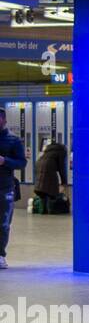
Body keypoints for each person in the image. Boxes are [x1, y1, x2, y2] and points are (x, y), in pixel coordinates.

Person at [0, 105, 27, 269]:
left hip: (5, 188)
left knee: (3, 223)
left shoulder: (13, 140)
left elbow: (22, 163)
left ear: (4, 120)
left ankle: (0, 255)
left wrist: (5, 161)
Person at [33, 138, 68, 212]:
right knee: (52, 190)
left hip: (38, 166)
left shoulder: (48, 150)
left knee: (43, 191)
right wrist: (64, 182)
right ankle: (51, 210)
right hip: (48, 169)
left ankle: (43, 210)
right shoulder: (62, 151)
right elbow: (62, 168)